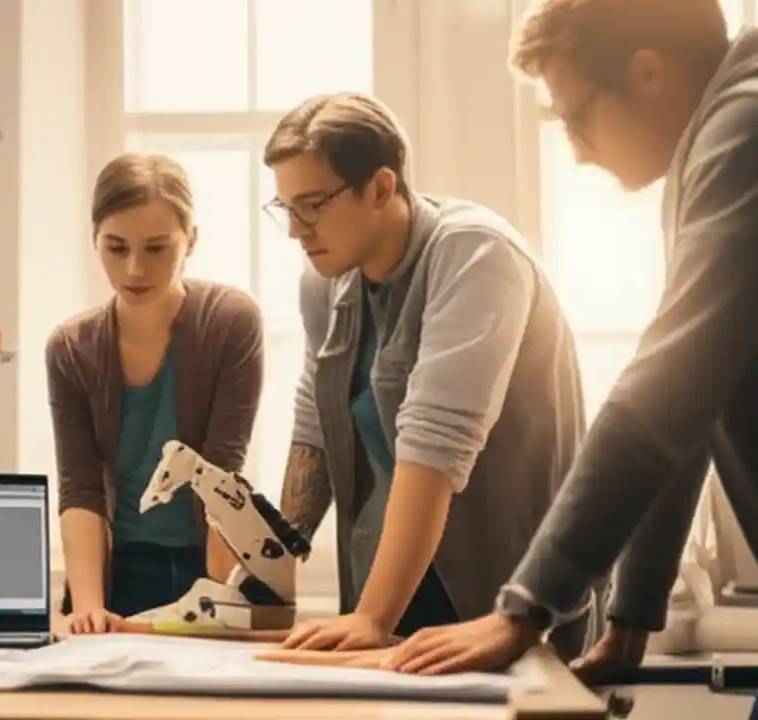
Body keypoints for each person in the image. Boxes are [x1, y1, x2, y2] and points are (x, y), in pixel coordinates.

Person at [384, 0, 758, 680]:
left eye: (575, 117)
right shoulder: (718, 140)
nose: (577, 151)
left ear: (648, 73)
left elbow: (661, 398)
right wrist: (632, 614)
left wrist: (524, 608)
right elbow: (694, 401)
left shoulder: (744, 134)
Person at [263, 92, 590, 658]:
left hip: (501, 602)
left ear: (382, 186)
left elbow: (437, 441)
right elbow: (315, 429)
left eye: (313, 205)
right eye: (286, 207)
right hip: (386, 588)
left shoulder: (476, 254)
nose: (296, 230)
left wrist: (371, 615)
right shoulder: (324, 280)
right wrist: (257, 580)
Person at [48, 152, 264, 634]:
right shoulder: (71, 348)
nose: (135, 269)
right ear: (95, 241)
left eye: (157, 248)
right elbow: (80, 487)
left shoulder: (229, 322)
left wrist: (219, 600)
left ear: (192, 241)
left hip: (203, 564)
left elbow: (222, 470)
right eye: (116, 248)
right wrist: (87, 607)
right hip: (114, 574)